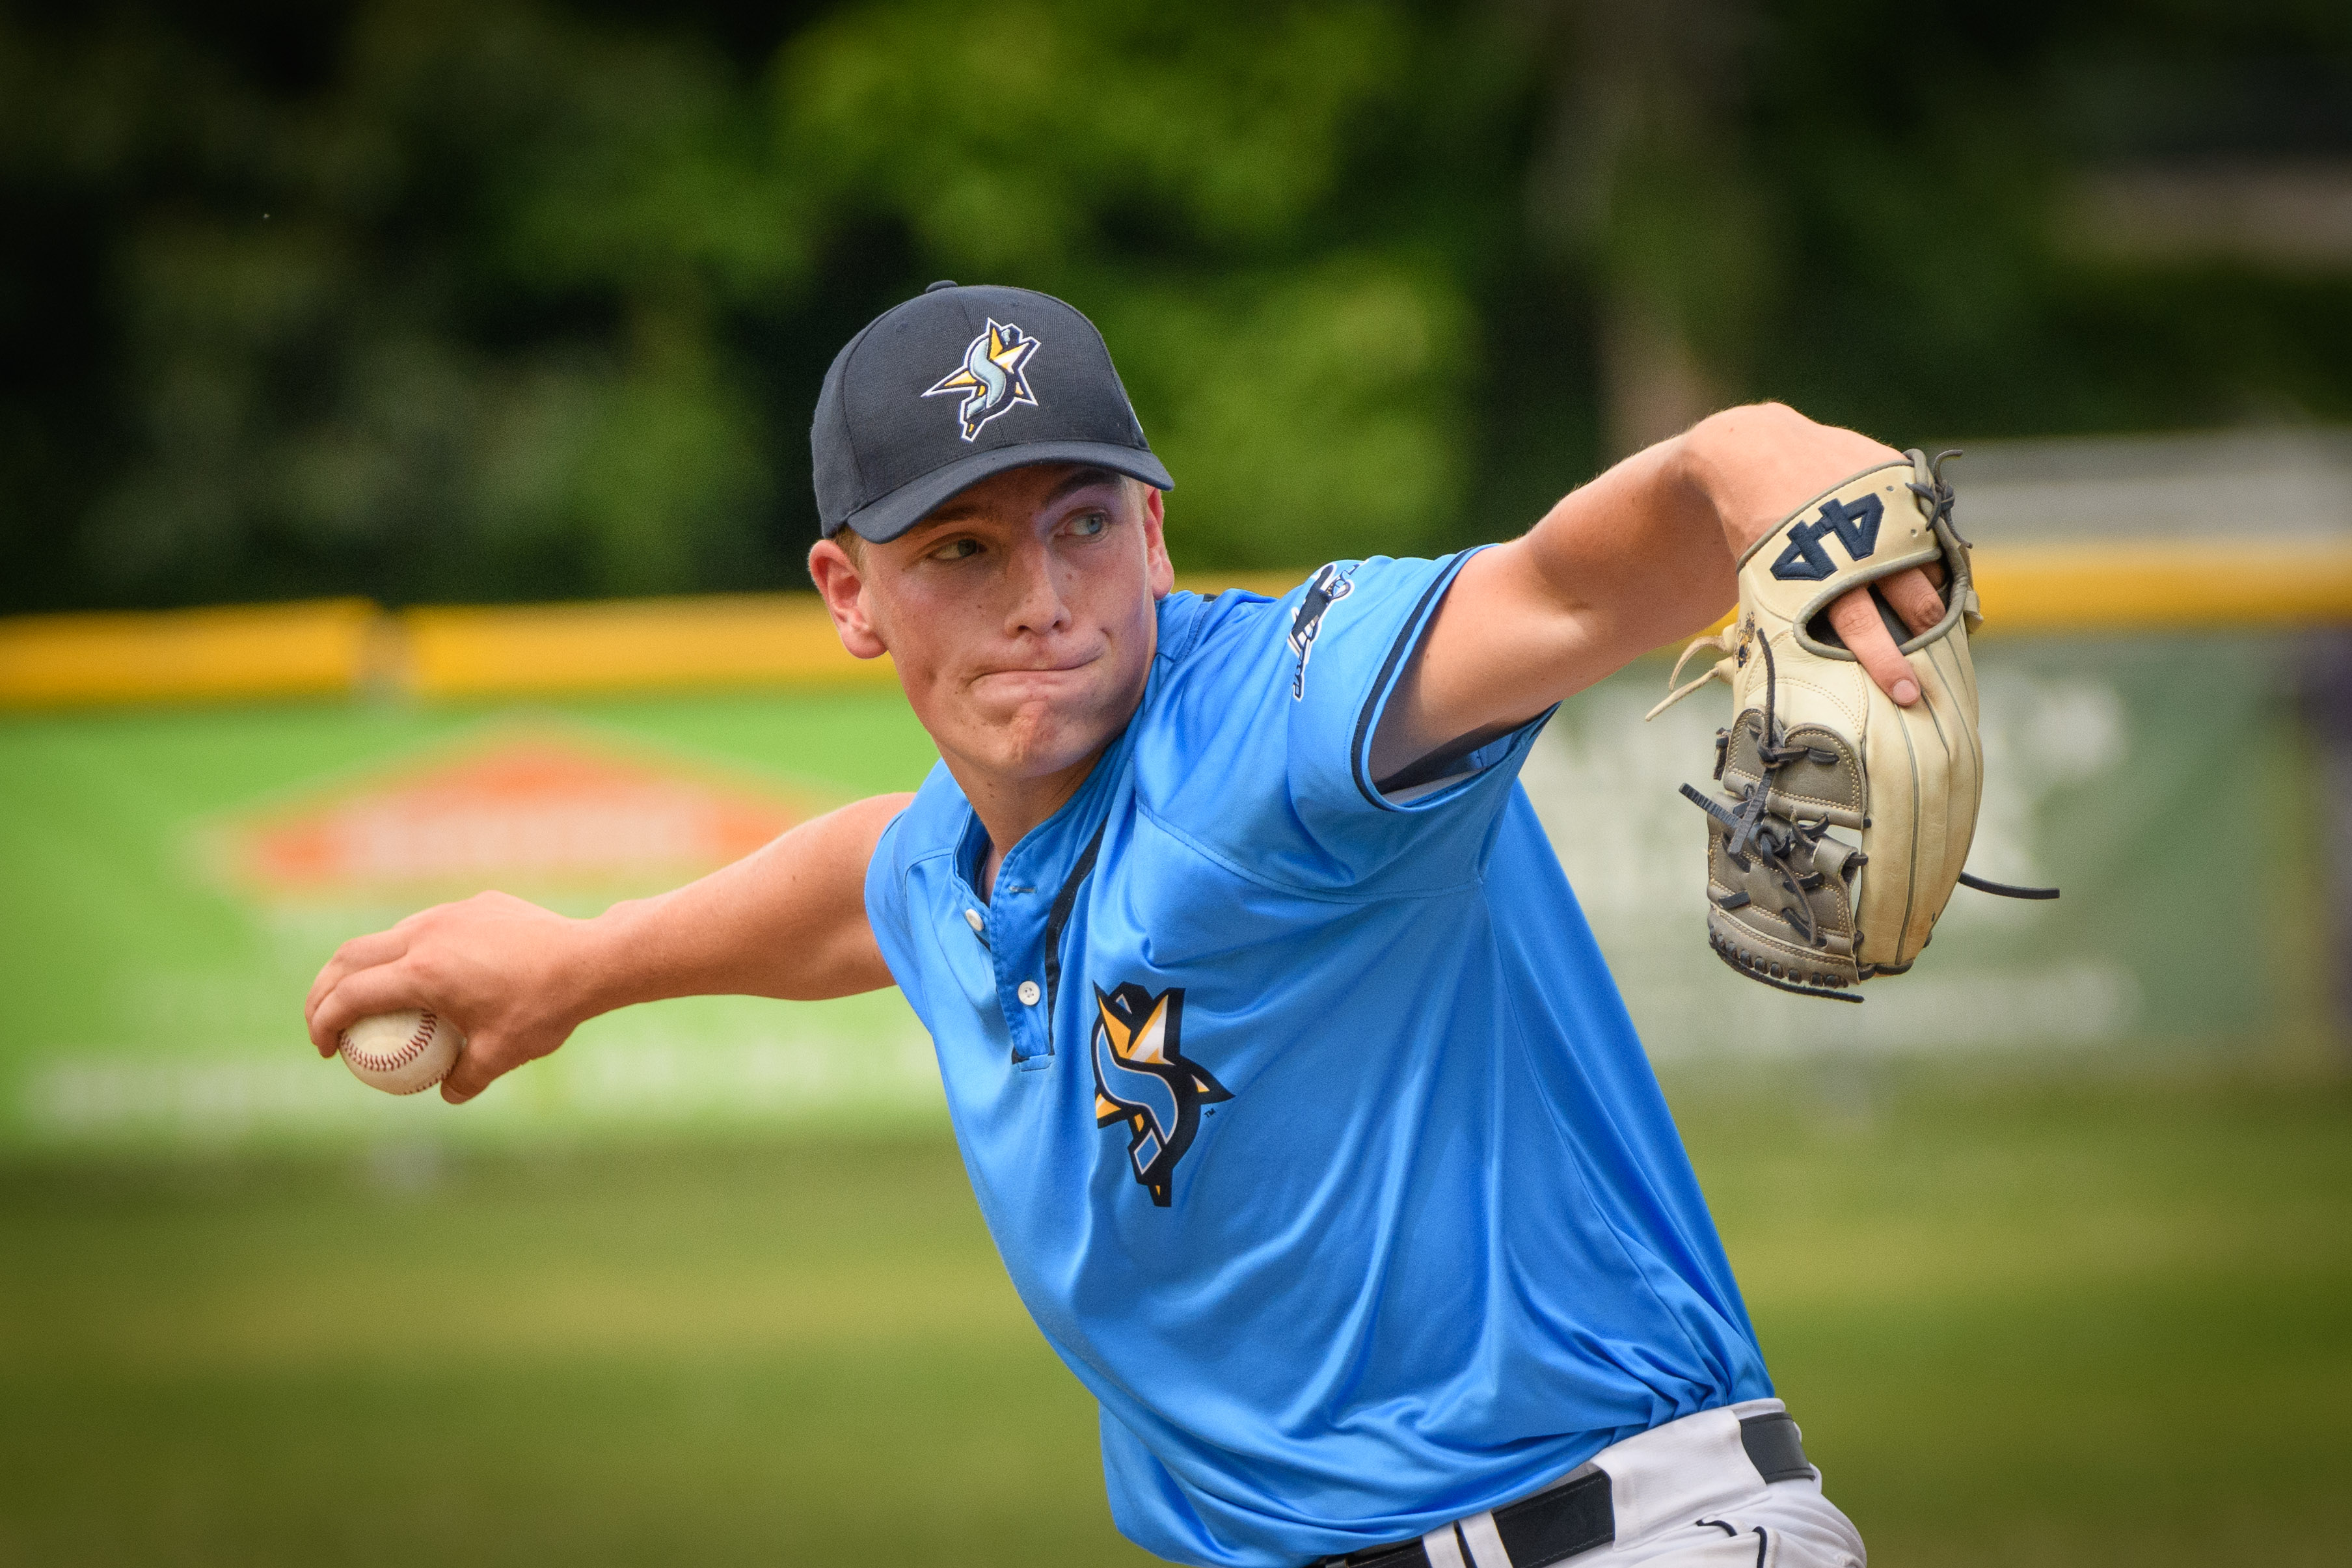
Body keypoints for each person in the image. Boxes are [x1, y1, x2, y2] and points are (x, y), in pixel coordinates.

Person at [306, 282, 1949, 1567]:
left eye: (1081, 521)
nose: (1039, 595)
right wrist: (581, 964)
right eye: (959, 546)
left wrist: (1736, 457)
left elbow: (1562, 591)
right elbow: (861, 880)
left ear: (1153, 536)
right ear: (848, 593)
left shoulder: (1275, 727)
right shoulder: (954, 866)